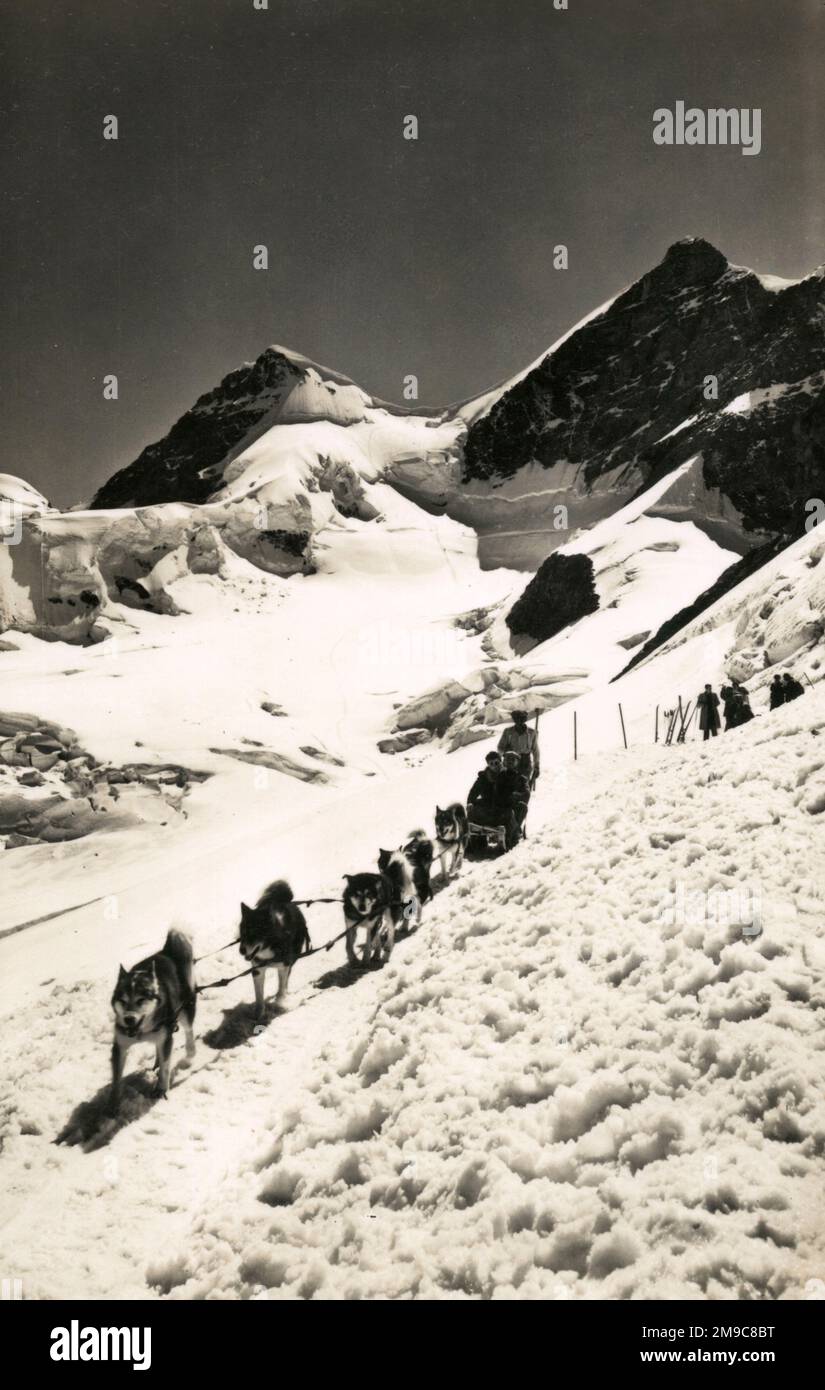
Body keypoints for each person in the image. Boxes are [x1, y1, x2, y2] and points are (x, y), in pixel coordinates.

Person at [498, 709, 540, 787]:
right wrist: (506, 754)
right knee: (509, 786)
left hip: (525, 762)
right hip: (510, 762)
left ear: (525, 720)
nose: (519, 722)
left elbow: (535, 750)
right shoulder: (508, 732)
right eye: (516, 719)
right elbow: (500, 747)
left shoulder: (531, 733)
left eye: (521, 719)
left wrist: (536, 766)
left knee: (524, 786)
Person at [499, 750, 530, 847]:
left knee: (522, 807)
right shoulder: (500, 776)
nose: (510, 762)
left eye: (513, 760)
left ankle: (514, 833)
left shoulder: (521, 779)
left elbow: (526, 794)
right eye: (507, 760)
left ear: (517, 763)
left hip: (514, 807)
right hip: (501, 806)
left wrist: (516, 795)